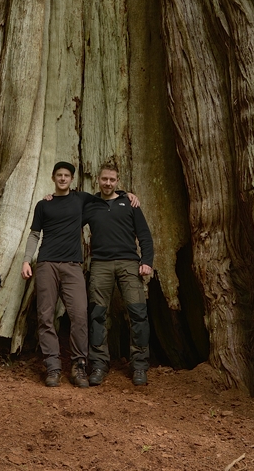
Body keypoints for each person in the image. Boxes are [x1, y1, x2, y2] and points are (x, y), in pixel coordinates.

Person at [21, 161, 94, 388]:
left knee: (80, 314)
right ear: (53, 177)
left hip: (72, 266)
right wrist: (26, 260)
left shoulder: (81, 199)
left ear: (72, 179)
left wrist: (126, 195)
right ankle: (52, 367)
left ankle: (79, 365)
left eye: (67, 175)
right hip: (47, 264)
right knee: (45, 315)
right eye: (59, 175)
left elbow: (106, 197)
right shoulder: (43, 205)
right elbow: (34, 234)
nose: (63, 178)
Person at [84, 162, 154, 387]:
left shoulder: (130, 204)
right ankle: (98, 364)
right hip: (100, 265)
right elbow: (68, 215)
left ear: (117, 181)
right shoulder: (90, 205)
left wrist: (146, 261)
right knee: (97, 314)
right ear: (98, 179)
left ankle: (139, 365)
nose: (108, 183)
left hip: (129, 264)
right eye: (104, 179)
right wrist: (50, 198)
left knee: (138, 313)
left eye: (112, 180)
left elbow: (144, 235)